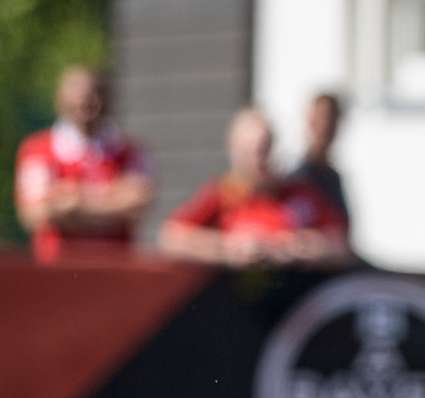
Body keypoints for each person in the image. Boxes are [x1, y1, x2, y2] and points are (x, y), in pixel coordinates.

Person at [159, 108, 351, 267]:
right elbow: (172, 237)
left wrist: (298, 246)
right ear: (233, 152)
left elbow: (339, 244)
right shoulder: (223, 194)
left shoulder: (299, 194)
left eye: (265, 149)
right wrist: (228, 248)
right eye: (250, 152)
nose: (259, 160)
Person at [13, 66, 153, 262]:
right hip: (57, 267)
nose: (83, 102)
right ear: (59, 99)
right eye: (76, 95)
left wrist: (73, 201)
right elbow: (34, 214)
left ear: (106, 98)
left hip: (115, 266)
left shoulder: (130, 151)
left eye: (91, 95)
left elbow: (136, 204)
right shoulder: (38, 149)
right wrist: (110, 200)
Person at [288, 92, 352, 232]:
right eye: (322, 119)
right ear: (310, 121)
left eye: (331, 121)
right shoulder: (296, 177)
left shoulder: (332, 177)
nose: (326, 127)